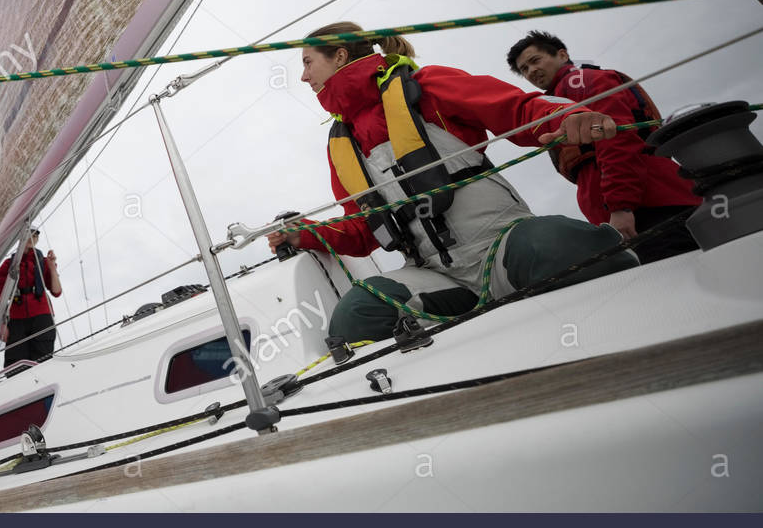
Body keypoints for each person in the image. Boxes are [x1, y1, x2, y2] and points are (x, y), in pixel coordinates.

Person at [266, 22, 638, 343]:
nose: (303, 76)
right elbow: (362, 232)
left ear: (341, 57)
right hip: (437, 277)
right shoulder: (340, 145)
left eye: (307, 62)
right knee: (356, 315)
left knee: (556, 243)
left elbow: (516, 109)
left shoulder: (425, 86)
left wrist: (567, 116)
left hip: (502, 247)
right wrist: (307, 234)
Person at [506, 30, 700, 263]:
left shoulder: (580, 82)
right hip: (627, 212)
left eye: (535, 60)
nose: (531, 71)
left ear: (562, 54)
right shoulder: (556, 102)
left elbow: (617, 140)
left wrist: (621, 207)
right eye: (524, 69)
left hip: (649, 208)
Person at [0, 227, 62, 367]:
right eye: (28, 235)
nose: (32, 238)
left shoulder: (43, 262)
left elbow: (56, 292)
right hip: (16, 318)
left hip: (41, 316)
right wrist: (3, 324)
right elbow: (2, 298)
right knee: (14, 365)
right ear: (19, 238)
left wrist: (52, 268)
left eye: (35, 236)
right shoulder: (8, 265)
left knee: (43, 361)